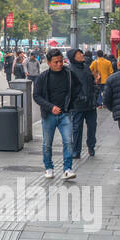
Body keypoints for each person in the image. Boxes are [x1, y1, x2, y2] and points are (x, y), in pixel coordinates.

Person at [33, 49, 81, 179]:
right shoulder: (43, 77)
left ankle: (68, 169)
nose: (59, 64)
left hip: (65, 113)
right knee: (47, 143)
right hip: (49, 115)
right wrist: (50, 107)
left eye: (61, 61)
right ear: (49, 63)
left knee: (68, 142)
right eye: (56, 62)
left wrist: (71, 103)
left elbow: (78, 88)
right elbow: (36, 96)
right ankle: (48, 168)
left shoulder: (69, 74)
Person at [67, 48, 98, 161]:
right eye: (79, 54)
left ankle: (91, 146)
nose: (82, 55)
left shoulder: (86, 67)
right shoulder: (69, 70)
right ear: (73, 57)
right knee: (77, 128)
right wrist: (78, 97)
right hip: (77, 105)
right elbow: (69, 88)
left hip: (90, 104)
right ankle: (76, 151)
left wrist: (94, 93)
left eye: (81, 53)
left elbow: (92, 83)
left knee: (92, 127)